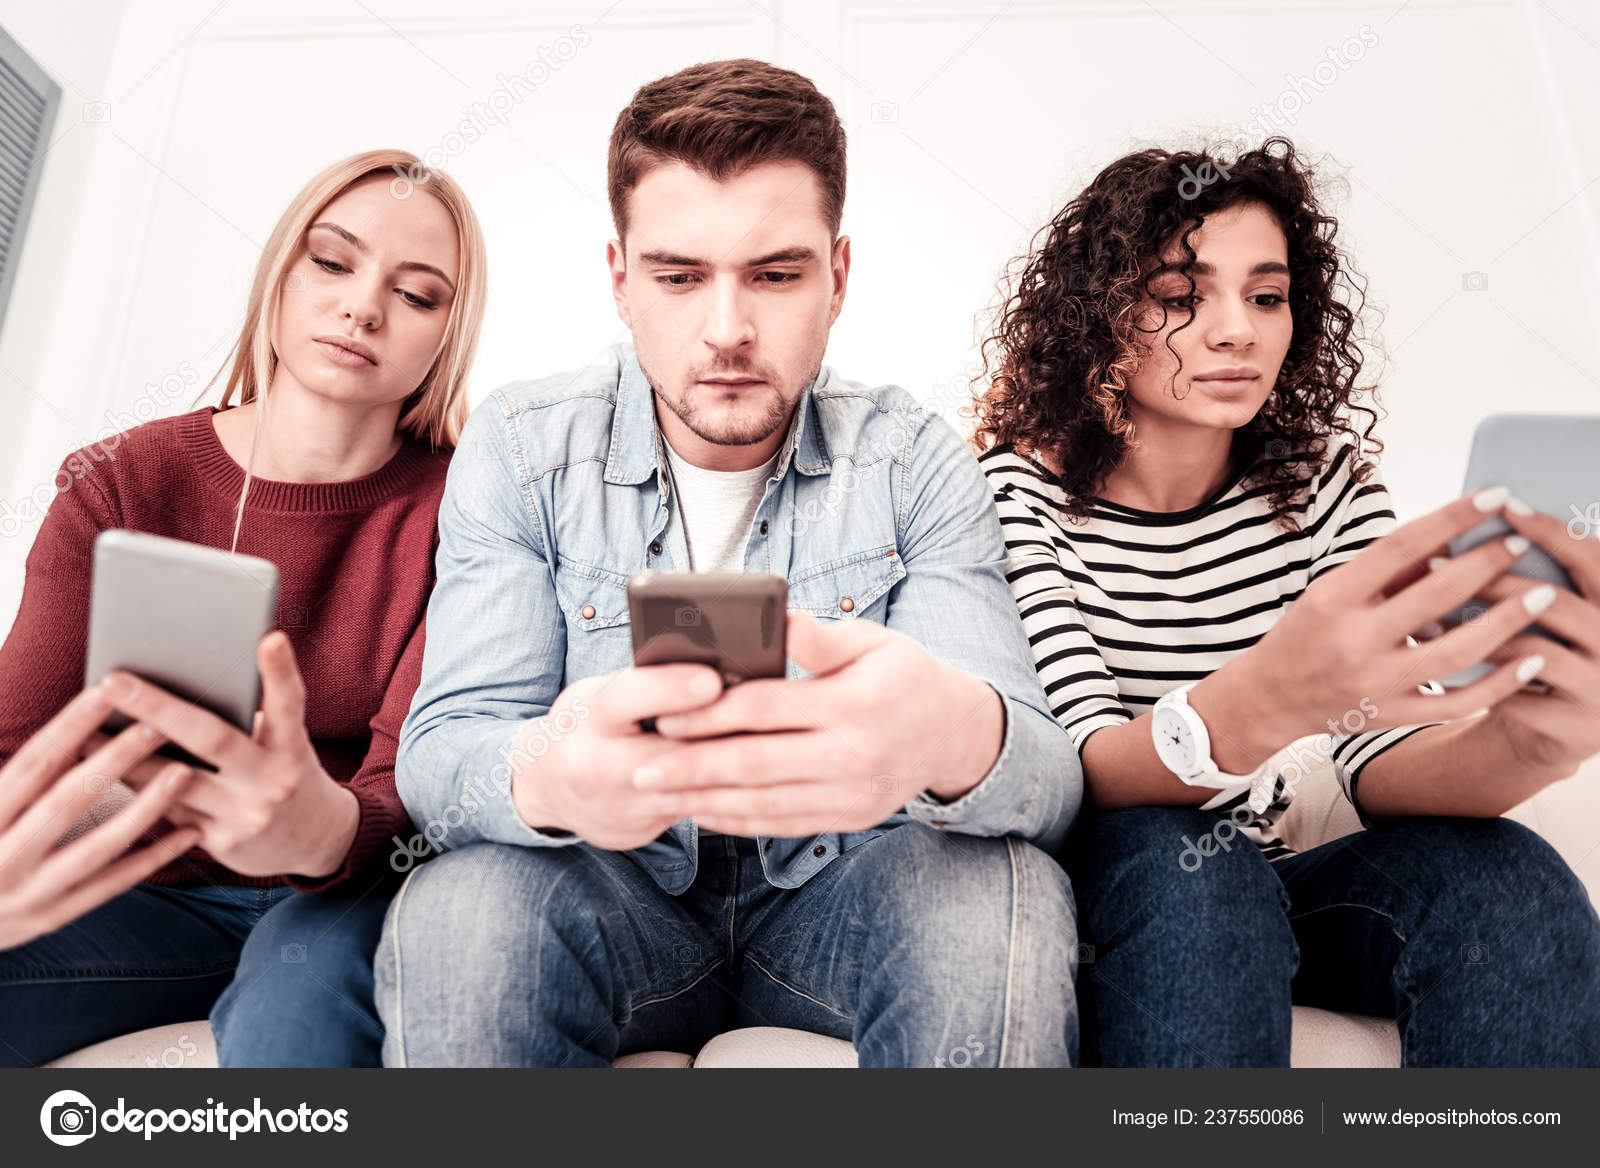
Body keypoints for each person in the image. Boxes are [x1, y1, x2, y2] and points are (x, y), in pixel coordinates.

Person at [373, 59, 1081, 1068]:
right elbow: (442, 760)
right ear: (619, 280)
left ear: (838, 276)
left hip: (841, 901)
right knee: (464, 906)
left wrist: (949, 732)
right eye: (678, 276)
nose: (726, 330)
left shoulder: (914, 457)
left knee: (995, 890)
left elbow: (1046, 785)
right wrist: (554, 773)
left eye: (775, 274)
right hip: (611, 897)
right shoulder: (523, 446)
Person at [975, 138, 1600, 1066]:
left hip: (1295, 881)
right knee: (1186, 858)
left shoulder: (1322, 481)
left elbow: (1378, 755)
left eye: (1267, 296)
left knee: (1509, 873)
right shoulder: (1013, 493)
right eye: (1180, 297)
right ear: (1097, 319)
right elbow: (1082, 772)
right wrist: (1276, 695)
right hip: (1132, 888)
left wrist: (1525, 745)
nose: (1238, 331)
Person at [0, 149, 487, 1067]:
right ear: (280, 275)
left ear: (444, 340)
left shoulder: (473, 507)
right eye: (332, 263)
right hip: (155, 893)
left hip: (351, 894)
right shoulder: (123, 480)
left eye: (417, 295)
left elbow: (415, 791)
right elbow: (16, 746)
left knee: (290, 1032)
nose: (362, 307)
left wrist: (314, 823)